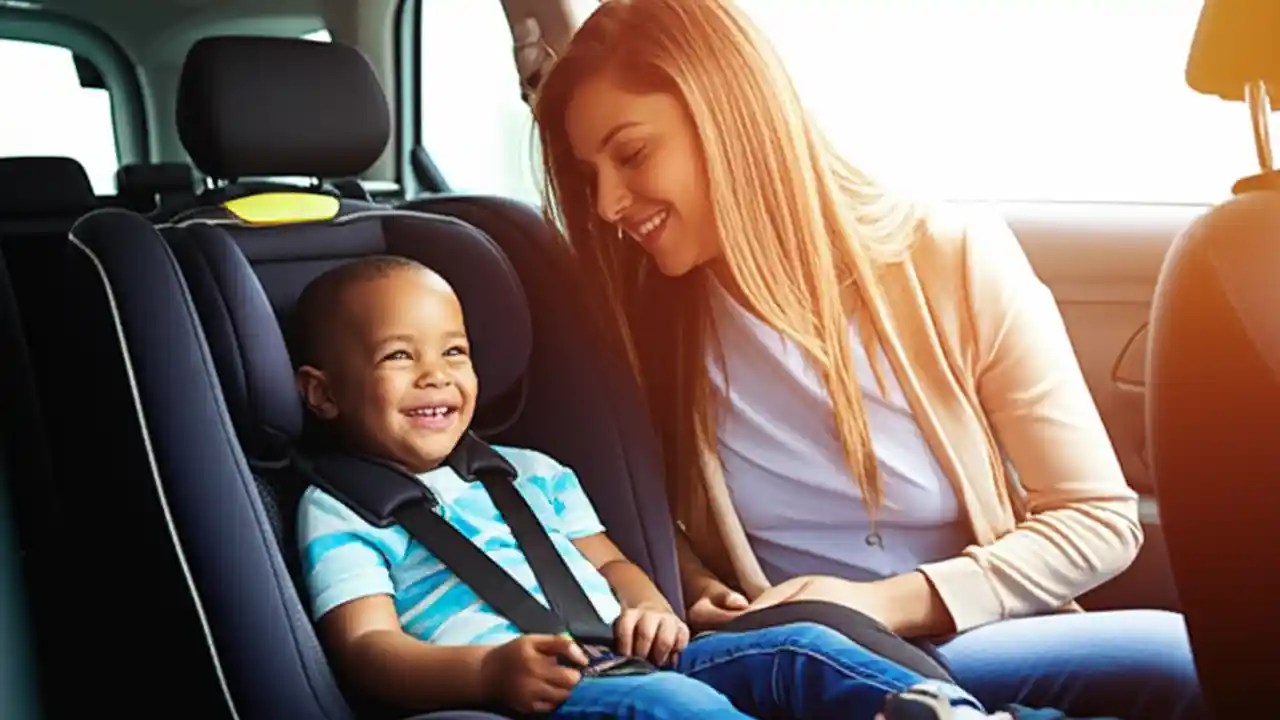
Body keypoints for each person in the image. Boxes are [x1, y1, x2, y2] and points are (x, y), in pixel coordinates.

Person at [529, 1, 1209, 719]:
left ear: (729, 120)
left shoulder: (951, 258)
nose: (606, 205)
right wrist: (693, 584)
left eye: (632, 155)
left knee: (1184, 661)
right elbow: (623, 512)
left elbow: (1096, 519)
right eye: (589, 174)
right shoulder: (638, 317)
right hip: (800, 661)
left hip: (970, 634)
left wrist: (882, 603)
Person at [287, 256, 1080, 719]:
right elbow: (366, 650)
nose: (437, 376)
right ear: (323, 394)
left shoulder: (531, 473)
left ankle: (953, 717)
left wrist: (652, 612)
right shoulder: (342, 510)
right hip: (540, 701)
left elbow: (611, 565)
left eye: (454, 353)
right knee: (680, 712)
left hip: (637, 661)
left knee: (802, 650)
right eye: (399, 357)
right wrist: (488, 672)